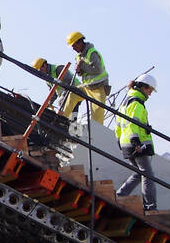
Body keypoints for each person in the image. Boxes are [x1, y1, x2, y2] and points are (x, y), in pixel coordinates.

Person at [115, 72, 158, 211]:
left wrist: (120, 143)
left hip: (125, 142)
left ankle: (120, 195)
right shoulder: (136, 103)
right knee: (148, 175)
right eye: (149, 90)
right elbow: (133, 123)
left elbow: (118, 125)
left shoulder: (125, 102)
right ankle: (150, 205)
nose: (150, 94)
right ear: (142, 87)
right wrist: (136, 142)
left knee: (139, 173)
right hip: (136, 144)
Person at [61, 31, 110, 123]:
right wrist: (79, 70)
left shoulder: (92, 53)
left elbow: (97, 70)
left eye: (74, 45)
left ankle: (96, 135)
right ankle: (61, 118)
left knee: (97, 113)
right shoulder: (78, 56)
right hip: (87, 87)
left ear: (80, 42)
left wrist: (82, 65)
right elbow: (82, 73)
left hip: (98, 88)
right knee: (73, 93)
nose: (73, 48)